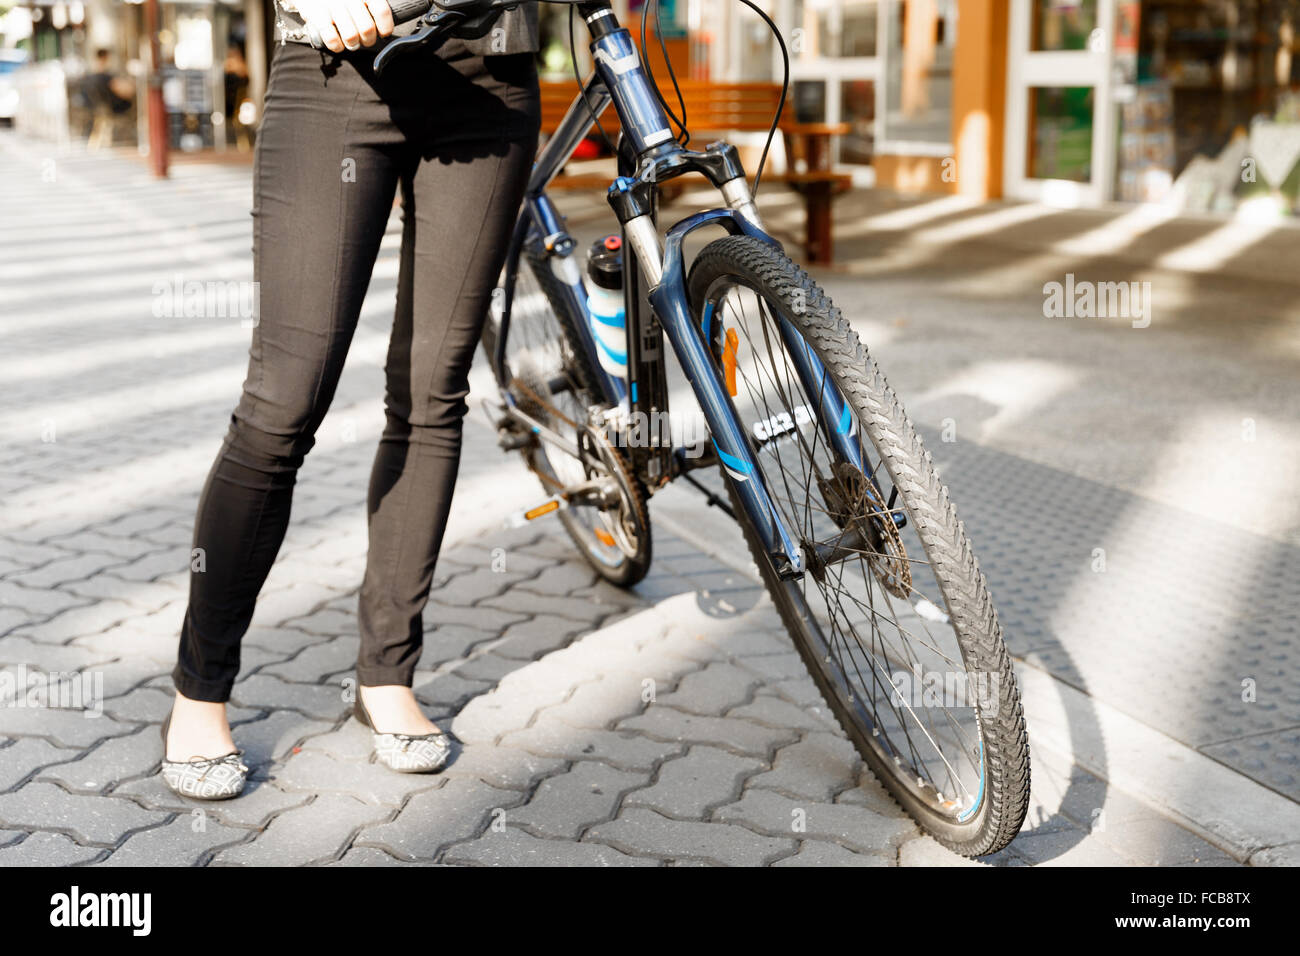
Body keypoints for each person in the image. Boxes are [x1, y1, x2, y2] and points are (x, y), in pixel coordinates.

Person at [161, 0, 541, 800]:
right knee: (283, 401)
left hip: (490, 72)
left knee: (432, 394)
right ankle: (200, 691)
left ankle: (387, 676)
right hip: (339, 72)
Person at [86, 49, 133, 149]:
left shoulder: (91, 76)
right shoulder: (106, 77)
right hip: (113, 108)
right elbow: (126, 91)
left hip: (98, 108)